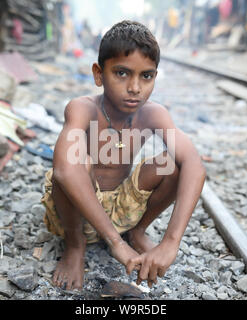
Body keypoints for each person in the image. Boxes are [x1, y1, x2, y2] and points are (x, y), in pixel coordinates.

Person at [41, 20, 206, 291]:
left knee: (172, 165)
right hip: (78, 208)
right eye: (121, 73)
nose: (134, 87)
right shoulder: (82, 109)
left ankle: (136, 231)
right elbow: (65, 172)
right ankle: (75, 245)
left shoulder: (154, 113)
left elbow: (194, 165)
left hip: (122, 205)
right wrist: (115, 244)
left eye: (146, 76)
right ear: (98, 74)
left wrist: (170, 242)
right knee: (70, 164)